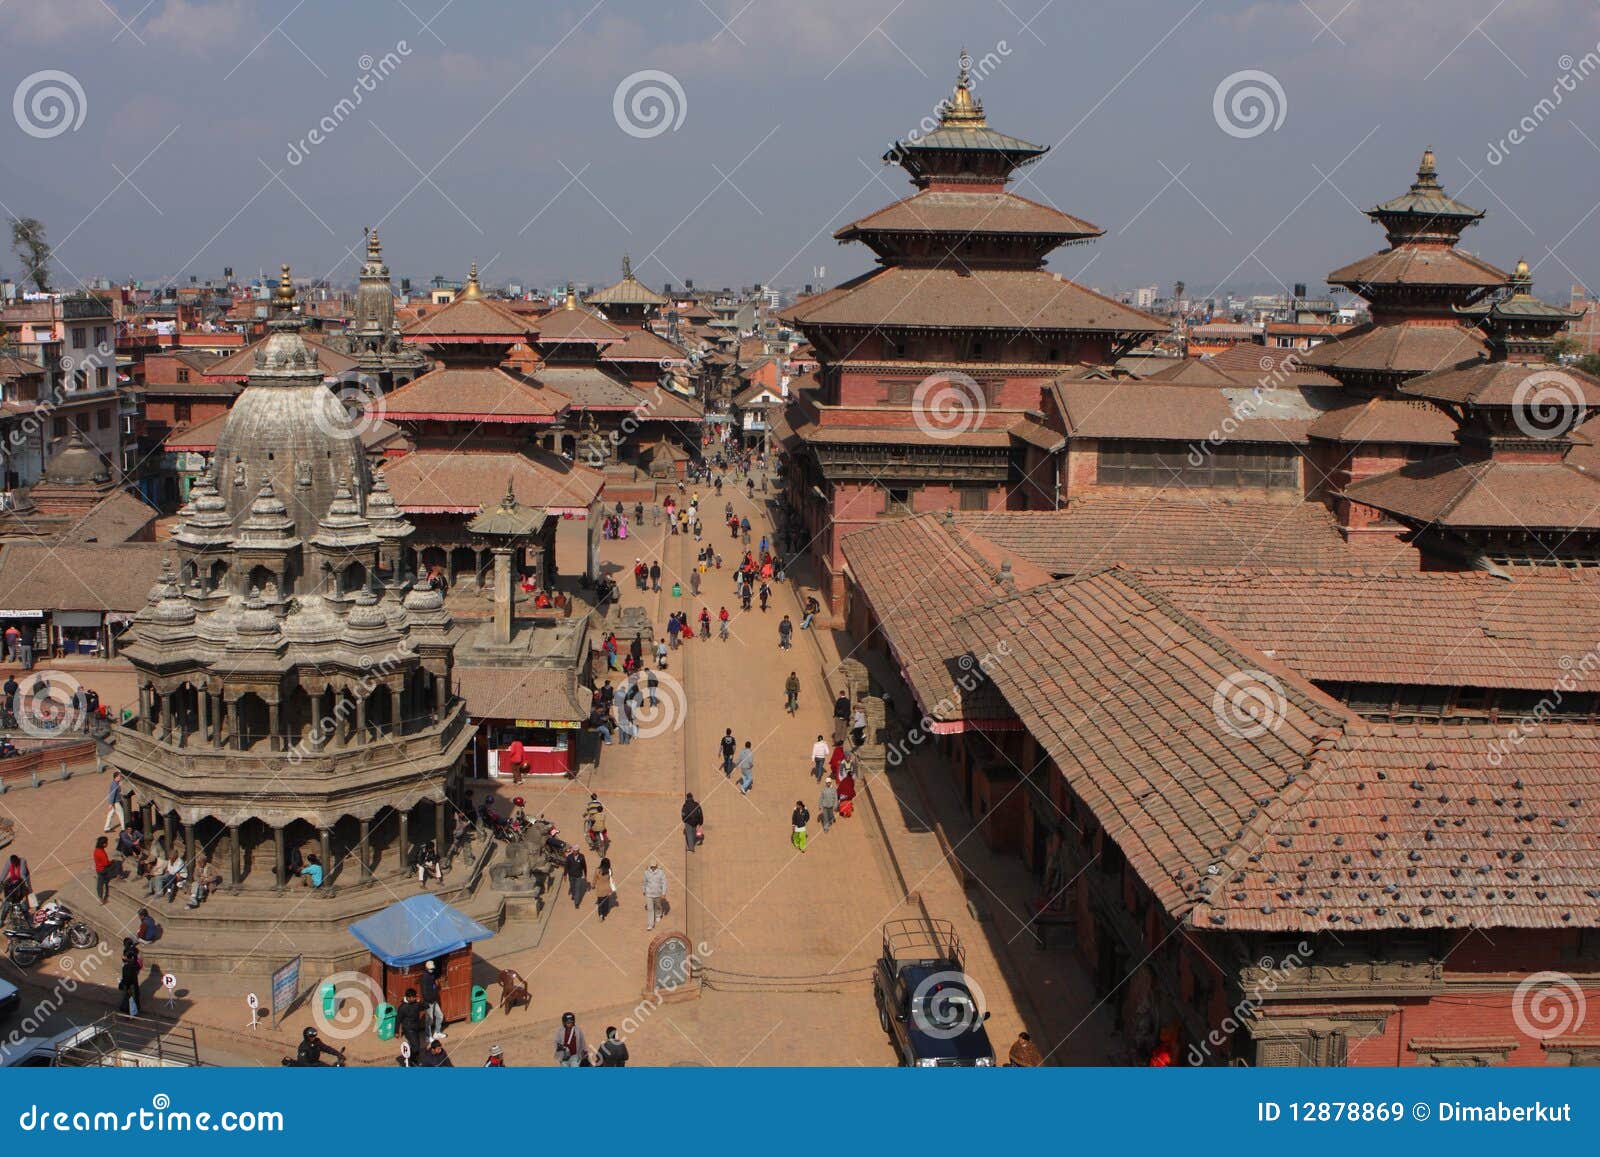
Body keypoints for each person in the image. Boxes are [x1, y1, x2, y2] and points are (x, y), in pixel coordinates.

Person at [1, 853, 31, 925]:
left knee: (29, 891)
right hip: (13, 882)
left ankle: (34, 907)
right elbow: (4, 873)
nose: (14, 865)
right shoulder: (9, 862)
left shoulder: (22, 861)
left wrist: (26, 884)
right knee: (6, 905)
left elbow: (22, 873)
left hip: (23, 878)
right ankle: (1, 920)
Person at [397, 988, 426, 1060]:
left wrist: (420, 1002)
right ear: (408, 998)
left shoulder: (416, 1003)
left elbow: (426, 1007)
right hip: (408, 1029)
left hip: (416, 1027)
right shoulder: (402, 1007)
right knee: (416, 1046)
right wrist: (396, 1031)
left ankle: (413, 1058)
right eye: (414, 997)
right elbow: (398, 1020)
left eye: (415, 997)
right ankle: (412, 1059)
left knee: (416, 1044)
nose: (415, 998)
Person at [420, 959, 444, 1042]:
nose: (432, 970)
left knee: (440, 1016)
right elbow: (424, 991)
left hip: (434, 1000)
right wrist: (428, 1000)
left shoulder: (432, 975)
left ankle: (437, 1032)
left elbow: (433, 985)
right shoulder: (424, 978)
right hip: (429, 1001)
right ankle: (428, 1036)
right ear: (426, 968)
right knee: (429, 1020)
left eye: (432, 969)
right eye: (430, 969)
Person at [642, 861, 667, 931]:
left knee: (658, 905)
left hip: (658, 893)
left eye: (654, 867)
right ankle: (650, 924)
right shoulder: (646, 872)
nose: (653, 868)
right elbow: (644, 882)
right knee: (650, 909)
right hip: (649, 893)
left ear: (656, 866)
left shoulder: (661, 872)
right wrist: (643, 890)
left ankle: (658, 914)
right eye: (652, 867)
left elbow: (664, 883)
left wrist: (664, 893)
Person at [593, 856, 617, 921]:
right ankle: (604, 913)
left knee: (600, 903)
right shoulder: (609, 870)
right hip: (607, 890)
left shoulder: (597, 870)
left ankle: (601, 914)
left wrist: (593, 885)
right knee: (606, 903)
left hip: (600, 890)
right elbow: (611, 878)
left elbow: (594, 879)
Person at [564, 844, 588, 908]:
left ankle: (576, 903)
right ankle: (573, 894)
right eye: (574, 851)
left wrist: (585, 874)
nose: (575, 852)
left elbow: (584, 866)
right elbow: (566, 866)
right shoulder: (569, 857)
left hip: (578, 876)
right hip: (571, 876)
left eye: (576, 851)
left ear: (578, 850)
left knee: (577, 889)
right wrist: (565, 875)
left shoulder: (582, 857)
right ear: (572, 851)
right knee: (572, 887)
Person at [118, 946, 140, 1015]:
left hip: (129, 986)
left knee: (130, 999)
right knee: (133, 998)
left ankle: (130, 1012)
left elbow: (126, 979)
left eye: (125, 956)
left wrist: (123, 985)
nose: (123, 957)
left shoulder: (127, 967)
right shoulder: (134, 964)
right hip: (133, 984)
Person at [93, 836, 113, 904]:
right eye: (106, 843)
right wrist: (111, 862)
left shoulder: (97, 850)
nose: (107, 844)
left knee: (99, 883)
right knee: (116, 864)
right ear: (103, 844)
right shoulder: (101, 853)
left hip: (98, 868)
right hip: (103, 869)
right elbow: (106, 863)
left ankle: (100, 897)